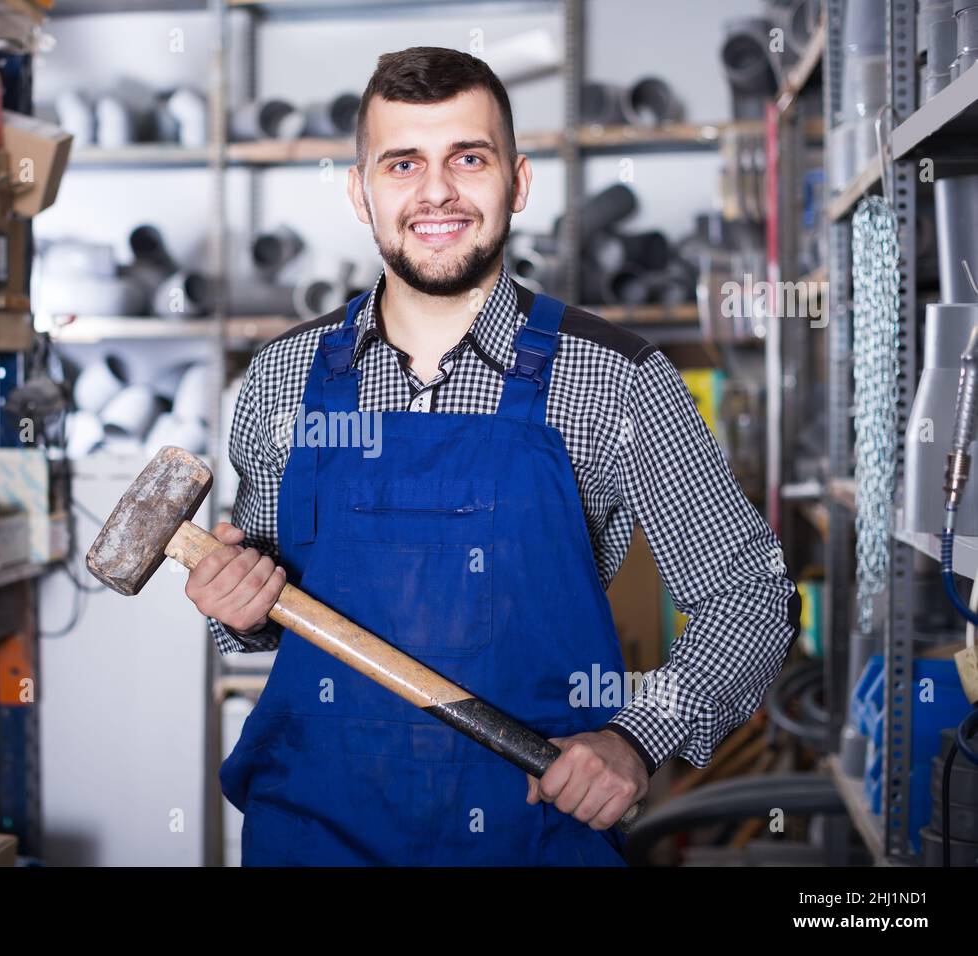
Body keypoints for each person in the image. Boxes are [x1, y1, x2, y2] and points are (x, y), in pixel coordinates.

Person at [185, 46, 799, 866]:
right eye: (402, 163)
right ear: (359, 191)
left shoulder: (615, 376)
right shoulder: (281, 377)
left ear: (518, 181)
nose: (435, 191)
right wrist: (237, 603)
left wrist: (635, 738)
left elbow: (748, 595)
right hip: (313, 829)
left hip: (533, 824)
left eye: (467, 159)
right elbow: (257, 621)